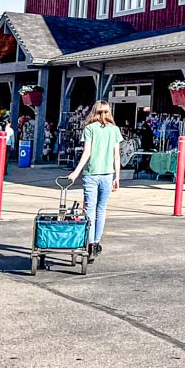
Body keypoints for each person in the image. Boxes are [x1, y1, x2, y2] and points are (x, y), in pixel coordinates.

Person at [67, 101, 123, 258]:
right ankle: (96, 243)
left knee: (90, 209)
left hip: (91, 174)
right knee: (101, 209)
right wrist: (117, 177)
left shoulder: (89, 129)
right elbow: (116, 156)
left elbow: (87, 153)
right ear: (108, 112)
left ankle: (89, 243)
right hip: (107, 174)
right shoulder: (115, 130)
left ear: (94, 112)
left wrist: (76, 172)